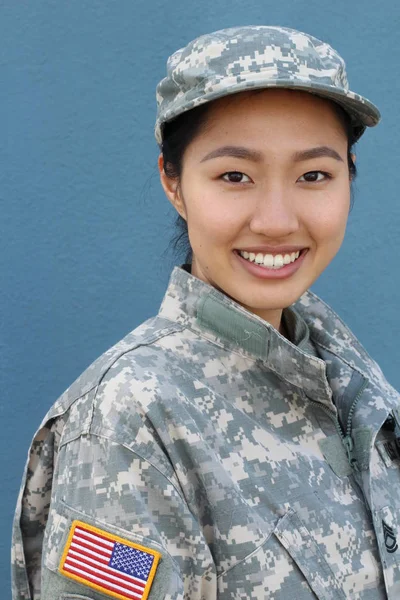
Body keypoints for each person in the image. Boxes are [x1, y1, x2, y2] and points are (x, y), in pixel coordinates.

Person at [11, 25, 400, 600]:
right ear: (173, 181)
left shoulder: (346, 376)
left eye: (313, 175)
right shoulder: (130, 420)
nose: (276, 220)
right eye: (234, 176)